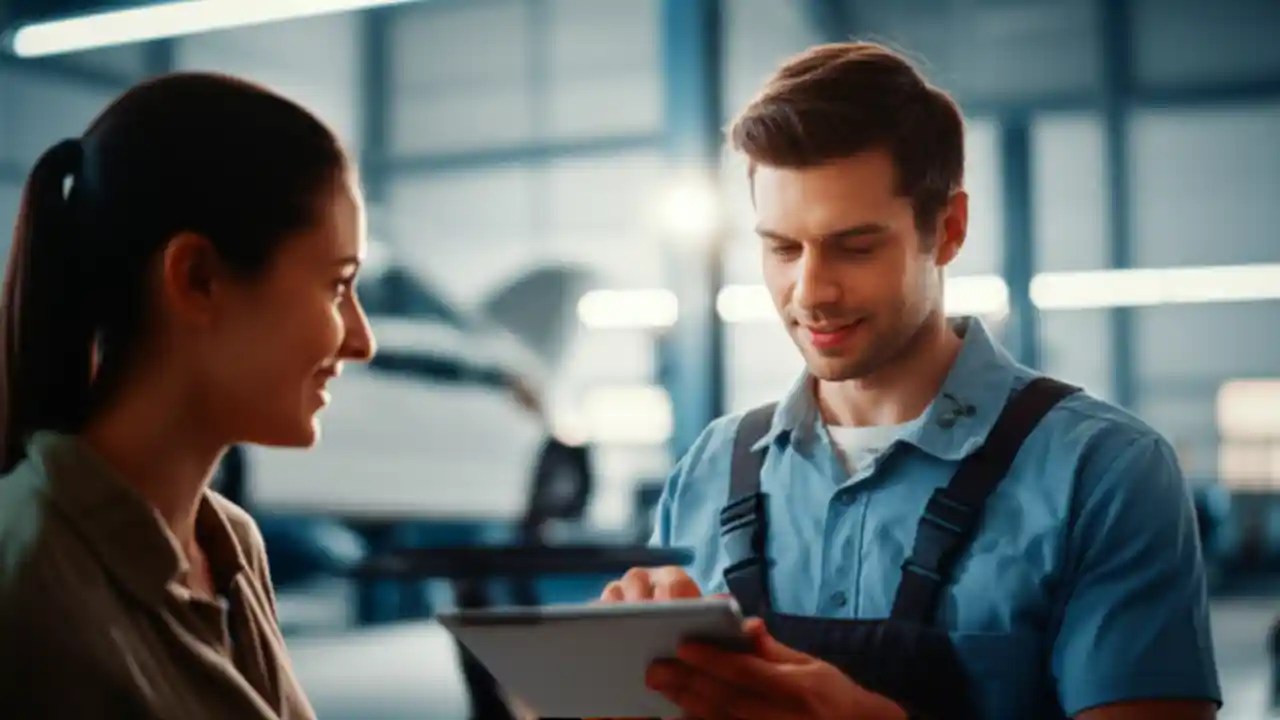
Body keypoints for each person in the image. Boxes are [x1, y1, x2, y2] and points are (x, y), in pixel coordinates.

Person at [599, 42, 1221, 719]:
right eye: (781, 248)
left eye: (855, 246)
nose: (810, 292)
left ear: (948, 230)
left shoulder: (1104, 474)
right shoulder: (710, 470)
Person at [0, 73, 376, 718]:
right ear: (197, 278)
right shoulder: (29, 586)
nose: (361, 340)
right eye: (338, 287)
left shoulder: (228, 542)